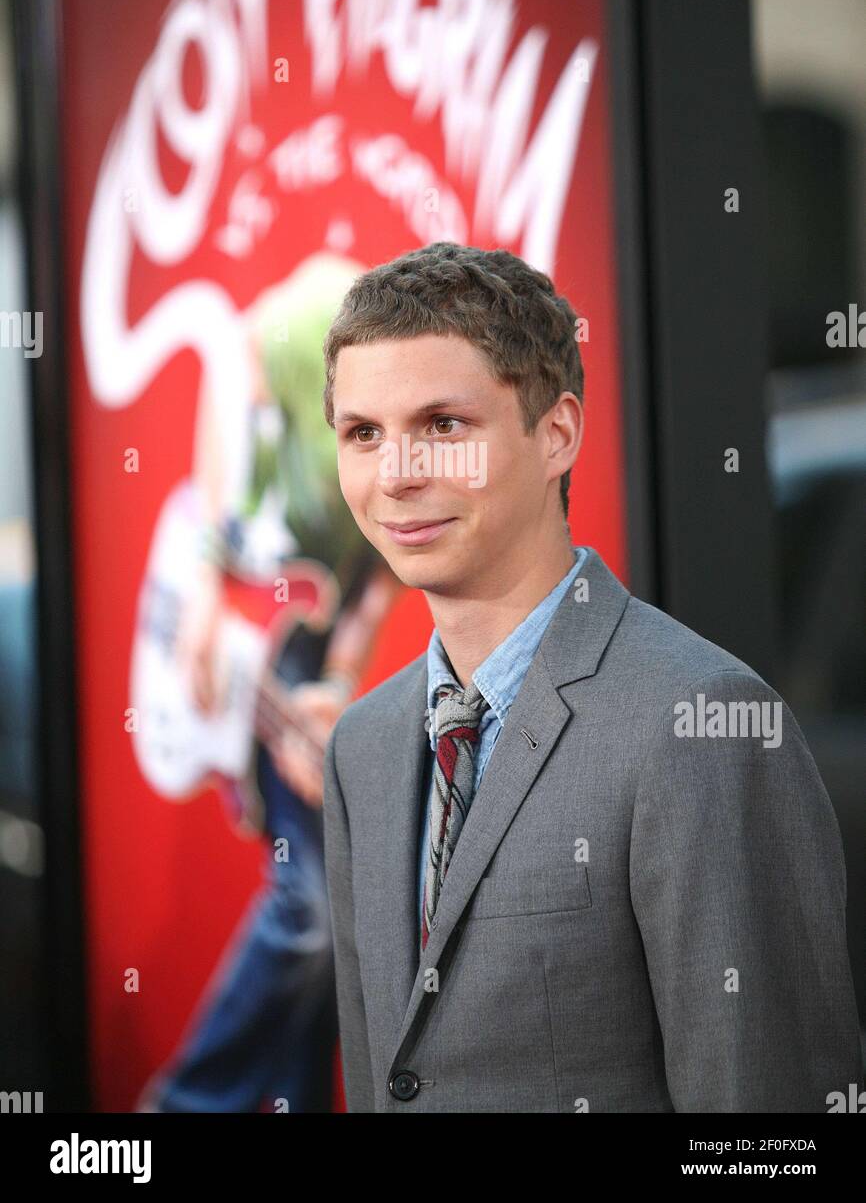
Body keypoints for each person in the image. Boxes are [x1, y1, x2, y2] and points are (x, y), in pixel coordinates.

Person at [321, 241, 863, 1113]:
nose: (398, 475)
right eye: (363, 434)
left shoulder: (698, 722)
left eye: (445, 426)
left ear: (558, 433)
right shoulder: (364, 746)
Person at [137, 253, 401, 1113]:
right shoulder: (327, 311)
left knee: (338, 927)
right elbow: (236, 370)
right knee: (316, 913)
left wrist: (338, 683)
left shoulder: (420, 435)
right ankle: (182, 1106)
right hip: (258, 601)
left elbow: (379, 580)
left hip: (309, 630)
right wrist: (210, 572)